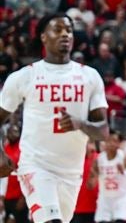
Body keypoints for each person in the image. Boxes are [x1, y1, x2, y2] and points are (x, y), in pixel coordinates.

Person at [0, 14, 110, 223]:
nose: (65, 35)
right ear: (43, 37)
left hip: (71, 171)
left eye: (68, 30)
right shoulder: (25, 76)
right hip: (35, 165)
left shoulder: (90, 77)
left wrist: (81, 123)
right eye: (57, 30)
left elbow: (103, 131)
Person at [93, 132, 126, 223]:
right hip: (105, 198)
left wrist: (124, 172)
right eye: (108, 141)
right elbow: (92, 182)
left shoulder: (124, 157)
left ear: (119, 143)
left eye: (114, 141)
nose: (111, 144)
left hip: (121, 198)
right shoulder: (99, 159)